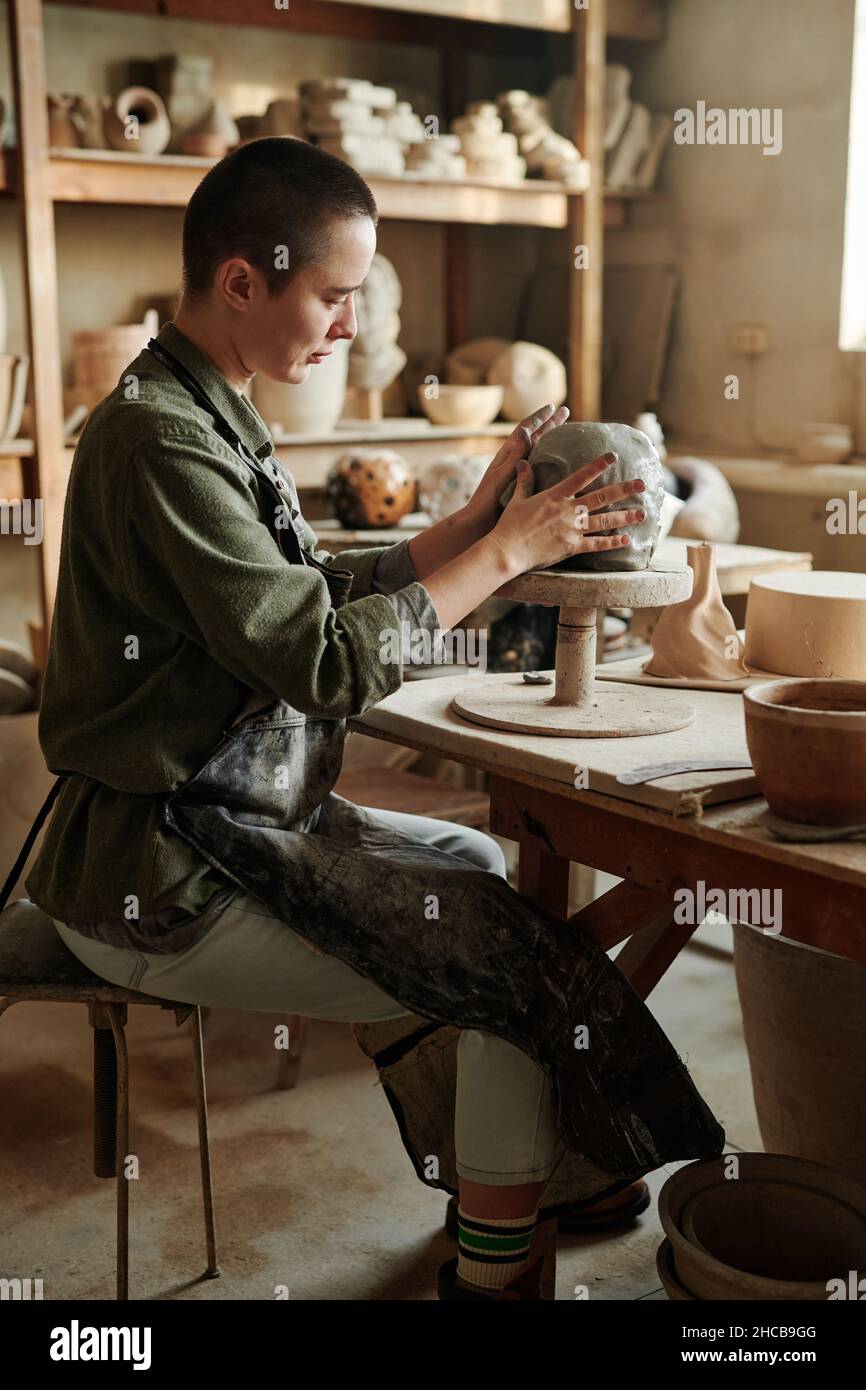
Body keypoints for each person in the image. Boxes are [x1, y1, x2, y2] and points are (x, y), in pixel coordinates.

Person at [23, 138, 717, 1301]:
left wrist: (480, 518)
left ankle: (508, 1172)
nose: (349, 324)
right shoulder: (158, 441)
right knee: (500, 973)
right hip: (156, 869)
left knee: (472, 859)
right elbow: (325, 660)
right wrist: (509, 549)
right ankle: (495, 1268)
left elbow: (314, 592)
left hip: (228, 821)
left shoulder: (210, 404)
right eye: (335, 294)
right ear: (242, 281)